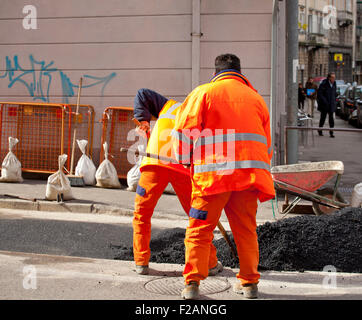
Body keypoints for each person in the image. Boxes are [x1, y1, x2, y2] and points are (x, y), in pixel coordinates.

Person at [172, 54, 275, 300]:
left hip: (213, 178)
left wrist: (185, 159)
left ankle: (192, 284)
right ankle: (249, 284)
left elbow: (184, 130)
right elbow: (267, 146)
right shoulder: (257, 99)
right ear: (240, 72)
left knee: (199, 230)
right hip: (249, 178)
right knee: (246, 231)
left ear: (215, 73)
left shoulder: (204, 93)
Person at [131, 88, 223, 277]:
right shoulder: (199, 114)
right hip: (179, 168)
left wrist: (143, 120)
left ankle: (141, 262)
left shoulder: (168, 106)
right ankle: (210, 263)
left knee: (142, 212)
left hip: (155, 164)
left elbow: (143, 94)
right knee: (197, 218)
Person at [317, 73, 337, 138]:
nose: (334, 79)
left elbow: (334, 93)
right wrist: (325, 101)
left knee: (331, 119)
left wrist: (334, 100)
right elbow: (320, 94)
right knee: (323, 118)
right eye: (332, 77)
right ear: (329, 78)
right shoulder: (324, 84)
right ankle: (320, 130)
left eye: (334, 77)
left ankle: (331, 132)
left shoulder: (334, 84)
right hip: (324, 104)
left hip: (331, 104)